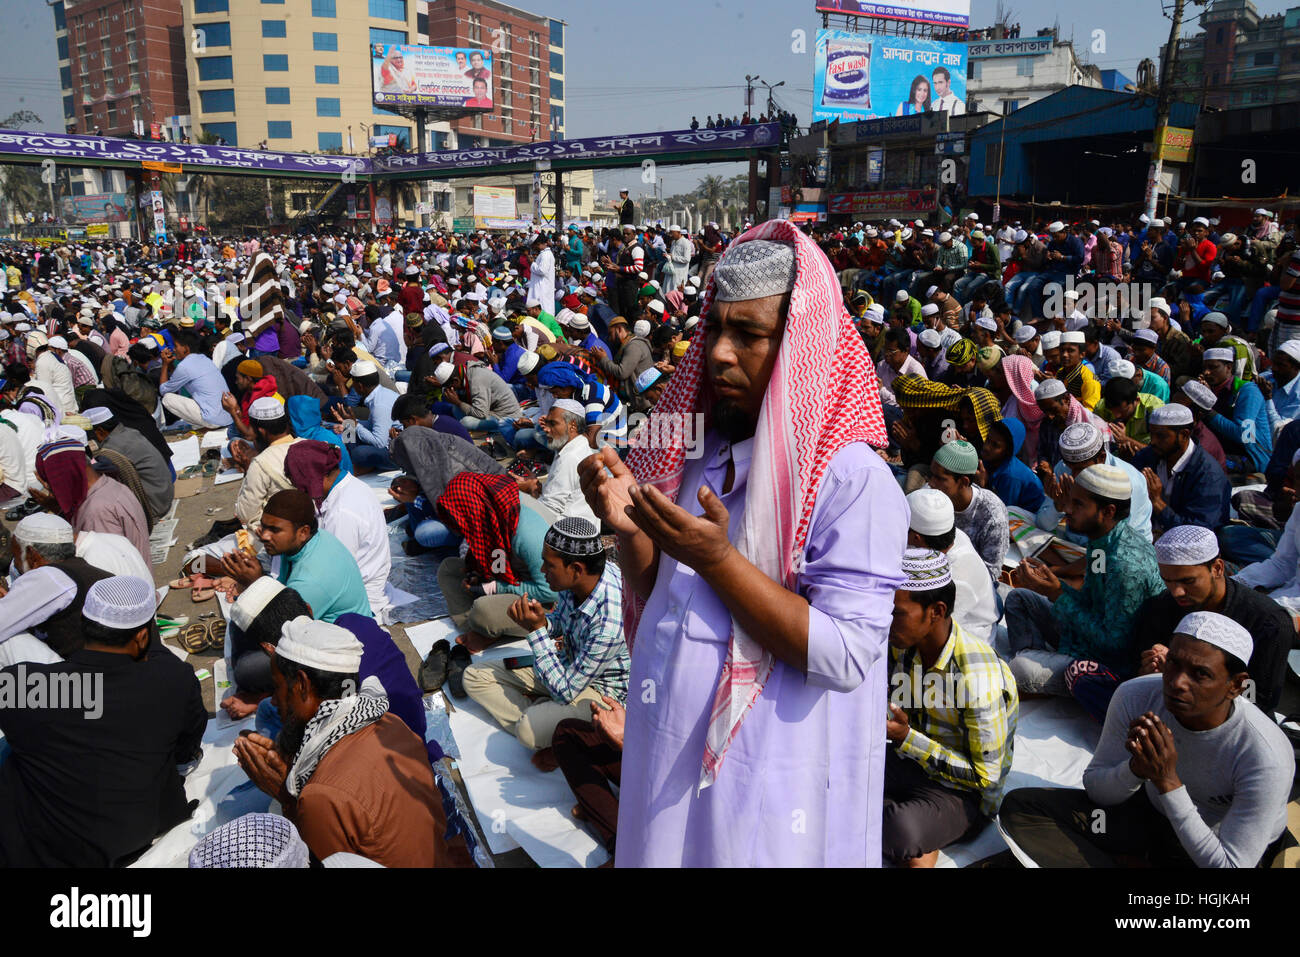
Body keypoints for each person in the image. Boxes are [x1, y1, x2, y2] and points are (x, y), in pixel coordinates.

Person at [578, 224, 907, 866]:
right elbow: (660, 590)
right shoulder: (702, 446)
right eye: (716, 329)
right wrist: (627, 527)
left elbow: (845, 655)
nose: (720, 353)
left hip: (772, 773)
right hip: (670, 744)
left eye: (749, 335)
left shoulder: (851, 478)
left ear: (800, 347)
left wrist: (721, 561)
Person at [1000, 612, 1294, 867]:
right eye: (1174, 663)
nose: (1177, 682)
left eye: (1200, 674)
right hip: (1154, 817)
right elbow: (1098, 791)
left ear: (1236, 686)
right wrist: (1136, 769)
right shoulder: (1136, 696)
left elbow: (1230, 863)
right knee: (1023, 809)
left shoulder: (1264, 754)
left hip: (1217, 846)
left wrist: (1167, 781)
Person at [0, 576, 205, 866]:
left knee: (9, 751)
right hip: (142, 828)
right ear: (142, 637)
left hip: (56, 849)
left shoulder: (26, 686)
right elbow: (185, 752)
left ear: (84, 625)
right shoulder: (175, 678)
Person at [233, 616, 465, 867]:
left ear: (301, 684)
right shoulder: (391, 723)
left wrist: (286, 798)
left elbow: (316, 861)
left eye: (277, 687)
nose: (274, 700)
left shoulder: (321, 798)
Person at [884, 549, 1017, 867]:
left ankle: (904, 823)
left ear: (936, 611)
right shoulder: (905, 646)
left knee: (899, 830)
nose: (885, 620)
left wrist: (908, 739)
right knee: (837, 772)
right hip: (911, 764)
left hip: (963, 793)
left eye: (896, 612)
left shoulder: (978, 679)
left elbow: (985, 777)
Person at [1004, 464, 1165, 720]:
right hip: (1084, 633)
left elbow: (1114, 645)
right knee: (1018, 599)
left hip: (1107, 662)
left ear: (1108, 511)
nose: (1067, 510)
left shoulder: (1125, 566)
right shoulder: (1101, 540)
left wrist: (1058, 594)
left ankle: (1039, 671)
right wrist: (1054, 585)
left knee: (1019, 668)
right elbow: (1091, 598)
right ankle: (1041, 667)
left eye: (1078, 504)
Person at [463, 517, 629, 756]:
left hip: (600, 693)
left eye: (548, 565)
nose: (542, 571)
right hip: (568, 666)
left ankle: (560, 733)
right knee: (475, 676)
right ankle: (555, 727)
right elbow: (560, 625)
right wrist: (541, 623)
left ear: (576, 570)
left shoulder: (610, 622)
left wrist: (535, 631)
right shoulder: (578, 584)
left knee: (528, 732)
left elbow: (565, 691)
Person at [1134, 525, 1294, 716]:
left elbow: (1257, 701)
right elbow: (1137, 671)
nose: (1177, 592)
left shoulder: (1268, 622)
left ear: (1217, 568)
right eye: (1168, 581)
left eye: (1188, 581)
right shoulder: (1161, 607)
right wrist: (1149, 671)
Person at [221, 489, 372, 623]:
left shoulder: (310, 579)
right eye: (264, 526)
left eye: (274, 530)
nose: (265, 536)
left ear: (303, 532)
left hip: (348, 646)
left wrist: (254, 584)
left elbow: (280, 629)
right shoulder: (307, 541)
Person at [285, 440, 391, 623]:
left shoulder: (342, 513)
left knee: (286, 620)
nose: (299, 490)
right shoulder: (346, 483)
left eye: (300, 485)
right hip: (357, 575)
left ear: (314, 478)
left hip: (360, 595)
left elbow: (333, 571)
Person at [35, 438, 152, 574]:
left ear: (64, 476)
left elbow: (104, 571)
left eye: (50, 482)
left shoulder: (96, 511)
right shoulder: (109, 485)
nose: (49, 490)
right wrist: (58, 508)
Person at [1035, 420, 1153, 545]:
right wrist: (1058, 506)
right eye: (1071, 468)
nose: (1074, 475)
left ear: (1101, 458)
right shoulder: (1064, 469)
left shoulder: (1129, 481)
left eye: (1080, 469)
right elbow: (1043, 524)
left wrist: (1063, 565)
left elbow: (1118, 543)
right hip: (1077, 544)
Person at [905, 488, 998, 645]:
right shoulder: (952, 535)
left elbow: (927, 629)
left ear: (916, 538)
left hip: (966, 643)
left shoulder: (956, 577)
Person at [1133, 403, 1230, 533]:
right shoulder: (1148, 456)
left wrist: (1157, 502)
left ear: (1184, 435)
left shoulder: (1208, 474)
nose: (1153, 441)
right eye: (1152, 434)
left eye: (1161, 436)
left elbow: (1197, 532)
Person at [927, 439, 1008, 577]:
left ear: (963, 482)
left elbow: (991, 573)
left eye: (939, 478)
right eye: (931, 475)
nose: (931, 483)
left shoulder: (993, 516)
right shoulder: (929, 495)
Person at [85, 405, 174, 523]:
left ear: (100, 431)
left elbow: (94, 474)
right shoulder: (129, 432)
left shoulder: (113, 447)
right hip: (164, 496)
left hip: (153, 506)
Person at [525, 398, 599, 525]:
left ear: (572, 426)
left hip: (568, 534)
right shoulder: (574, 446)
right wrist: (536, 489)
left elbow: (549, 510)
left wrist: (525, 491)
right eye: (546, 423)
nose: (546, 429)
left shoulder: (570, 457)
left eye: (553, 424)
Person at [1199, 347, 1271, 474]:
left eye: (1213, 367)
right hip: (1221, 449)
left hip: (1249, 458)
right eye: (1204, 368)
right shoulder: (1212, 390)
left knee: (1201, 463)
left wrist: (1208, 410)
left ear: (1229, 367)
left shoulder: (1248, 391)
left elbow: (1245, 435)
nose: (1206, 372)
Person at [233, 396, 301, 527]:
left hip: (285, 532)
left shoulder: (260, 463)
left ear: (261, 430)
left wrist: (248, 470)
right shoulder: (309, 444)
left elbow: (245, 514)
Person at [158, 328, 234, 429]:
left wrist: (164, 365)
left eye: (176, 346)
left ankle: (204, 424)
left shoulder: (184, 366)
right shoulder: (204, 359)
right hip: (228, 417)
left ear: (185, 349)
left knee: (167, 398)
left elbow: (163, 390)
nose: (174, 350)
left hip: (214, 420)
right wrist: (171, 366)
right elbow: (178, 380)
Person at [336, 359, 398, 473]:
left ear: (360, 386)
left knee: (359, 453)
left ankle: (358, 464)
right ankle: (352, 460)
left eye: (353, 383)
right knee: (348, 426)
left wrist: (355, 424)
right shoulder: (378, 395)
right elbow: (373, 424)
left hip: (396, 454)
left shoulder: (380, 404)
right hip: (386, 441)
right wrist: (350, 422)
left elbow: (380, 443)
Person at [980, 417, 1045, 512]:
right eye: (987, 439)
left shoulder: (1011, 477)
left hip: (1031, 516)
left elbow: (1001, 512)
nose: (986, 447)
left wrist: (983, 487)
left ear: (1008, 451)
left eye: (995, 445)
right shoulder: (991, 460)